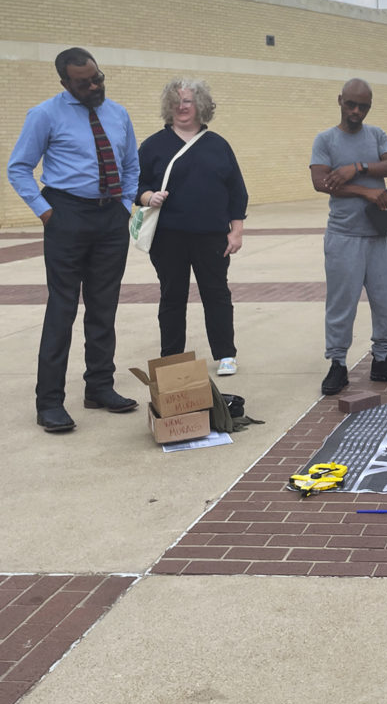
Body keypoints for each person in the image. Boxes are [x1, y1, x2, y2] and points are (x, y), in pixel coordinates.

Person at [7, 47, 140, 432]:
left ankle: (99, 387)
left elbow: (130, 163)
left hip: (110, 217)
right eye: (84, 83)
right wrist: (46, 211)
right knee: (62, 309)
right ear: (65, 83)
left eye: (98, 78)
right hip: (66, 215)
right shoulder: (45, 114)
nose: (95, 86)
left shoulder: (118, 113)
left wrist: (125, 205)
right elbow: (18, 168)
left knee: (104, 307)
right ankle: (49, 402)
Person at [310, 78, 387, 395]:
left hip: (379, 235)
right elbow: (320, 181)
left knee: (385, 301)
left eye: (364, 106)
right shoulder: (325, 140)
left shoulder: (377, 134)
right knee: (341, 305)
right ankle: (337, 364)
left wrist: (355, 168)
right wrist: (365, 192)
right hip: (344, 237)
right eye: (351, 104)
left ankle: (382, 359)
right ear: (339, 100)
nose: (356, 111)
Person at [138, 79, 248, 376]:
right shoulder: (153, 146)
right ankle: (172, 357)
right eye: (176, 100)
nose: (182, 106)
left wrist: (235, 230)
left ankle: (226, 354)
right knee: (172, 295)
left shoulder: (218, 145)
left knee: (216, 294)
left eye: (188, 100)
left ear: (200, 106)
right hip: (168, 236)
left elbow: (237, 192)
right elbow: (135, 185)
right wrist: (149, 196)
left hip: (211, 235)